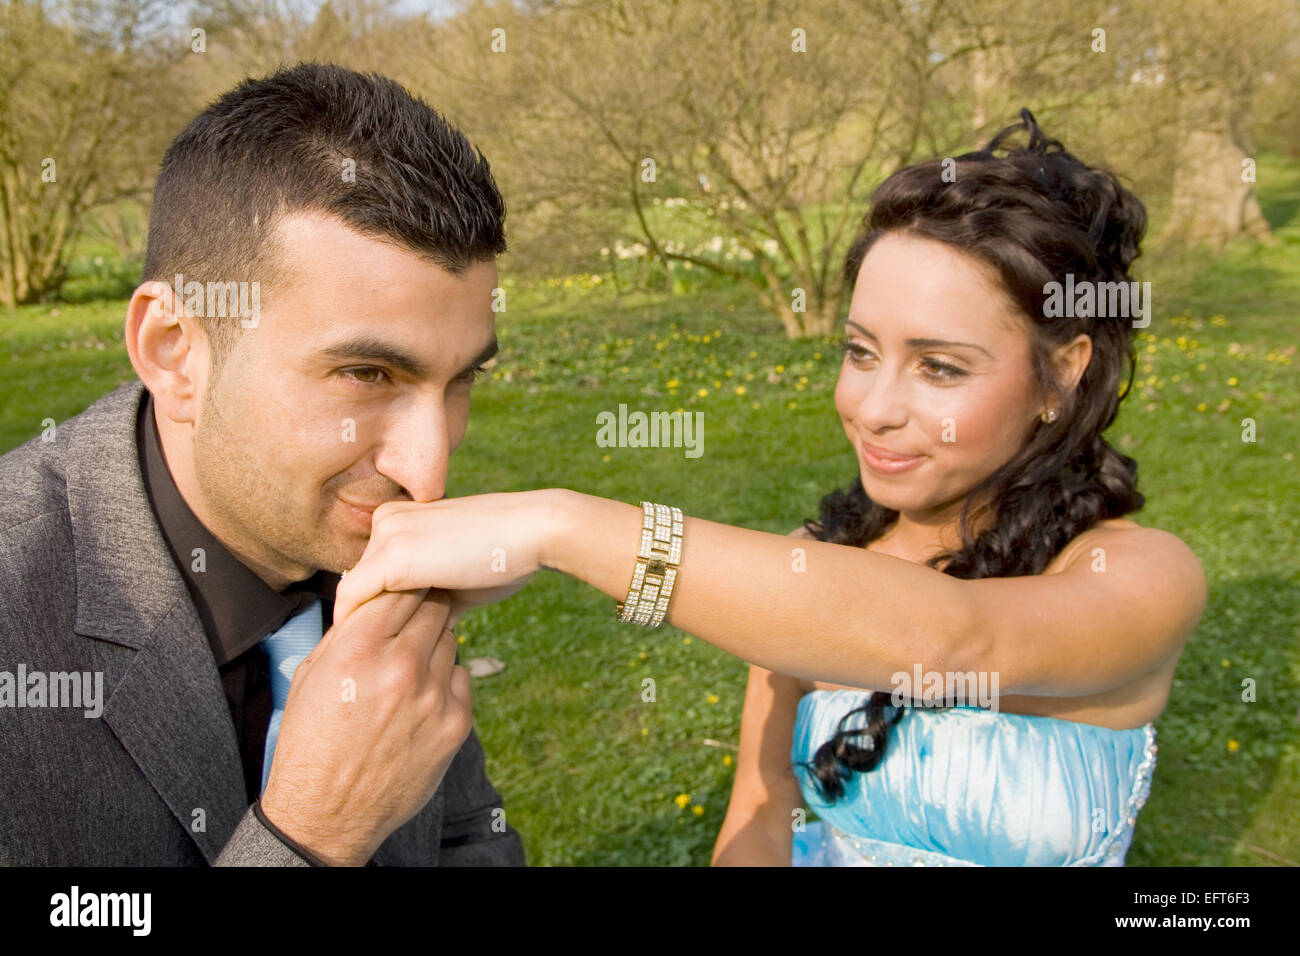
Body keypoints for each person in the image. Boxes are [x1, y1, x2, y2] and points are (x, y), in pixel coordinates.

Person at [330, 110, 1207, 866]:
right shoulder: (813, 574)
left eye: (940, 368)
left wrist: (559, 525)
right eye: (860, 351)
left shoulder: (1139, 578)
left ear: (1061, 376)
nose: (872, 408)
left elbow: (953, 645)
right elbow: (761, 802)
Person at [0, 63, 524, 866]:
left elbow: (464, 845)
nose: (429, 474)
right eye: (366, 374)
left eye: (461, 380)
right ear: (175, 353)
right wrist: (313, 837)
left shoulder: (368, 547)